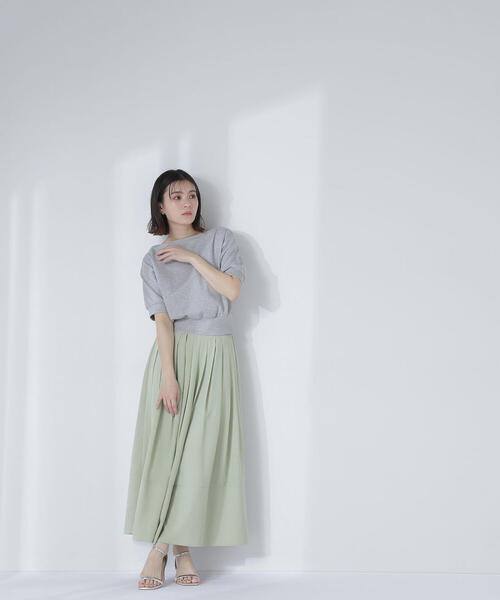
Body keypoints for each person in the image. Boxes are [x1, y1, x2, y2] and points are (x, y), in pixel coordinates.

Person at [123, 169, 248, 590]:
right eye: (175, 196)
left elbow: (232, 290)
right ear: (160, 205)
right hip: (173, 355)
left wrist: (192, 257)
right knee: (168, 453)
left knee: (198, 454)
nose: (186, 203)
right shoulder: (152, 260)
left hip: (216, 352)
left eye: (191, 195)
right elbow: (162, 321)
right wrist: (168, 376)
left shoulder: (220, 240)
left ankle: (162, 548)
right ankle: (181, 551)